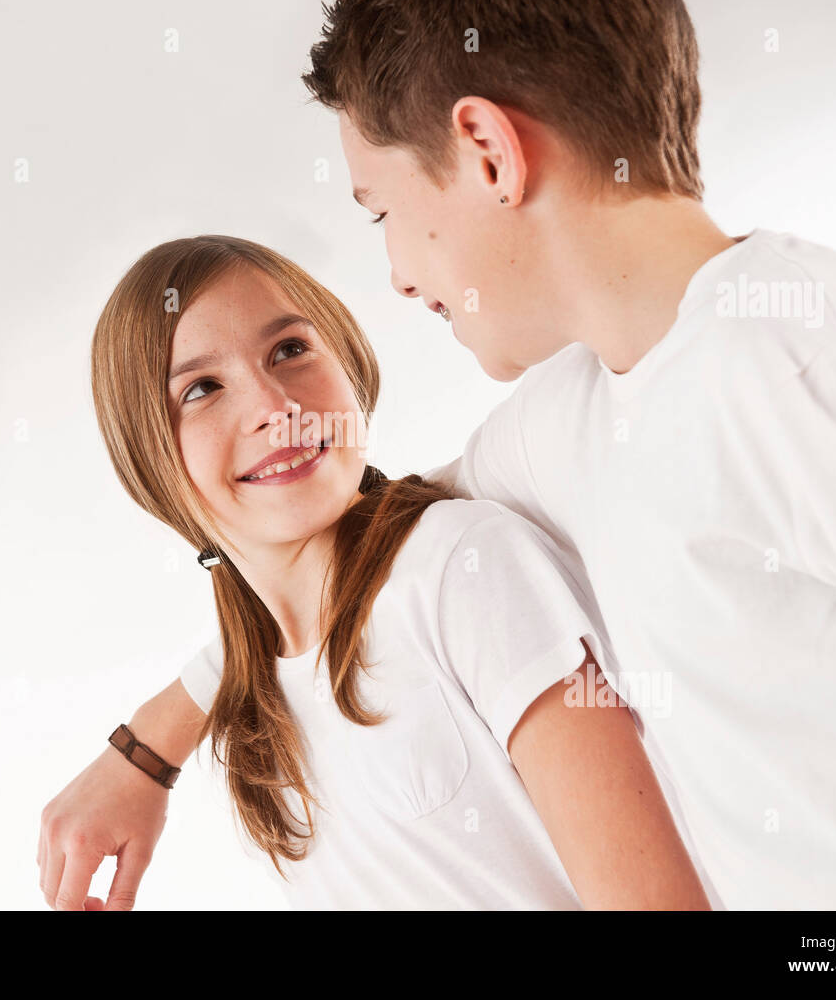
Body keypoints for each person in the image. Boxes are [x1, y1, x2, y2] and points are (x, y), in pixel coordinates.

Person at [40, 0, 836, 910]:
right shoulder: (584, 412)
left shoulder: (817, 370)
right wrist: (145, 751)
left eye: (384, 211)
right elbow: (348, 534)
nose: (400, 275)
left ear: (489, 150)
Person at [54, 233, 710, 910]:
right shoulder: (254, 711)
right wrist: (139, 757)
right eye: (201, 389)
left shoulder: (458, 567)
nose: (275, 408)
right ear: (150, 464)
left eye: (290, 349)